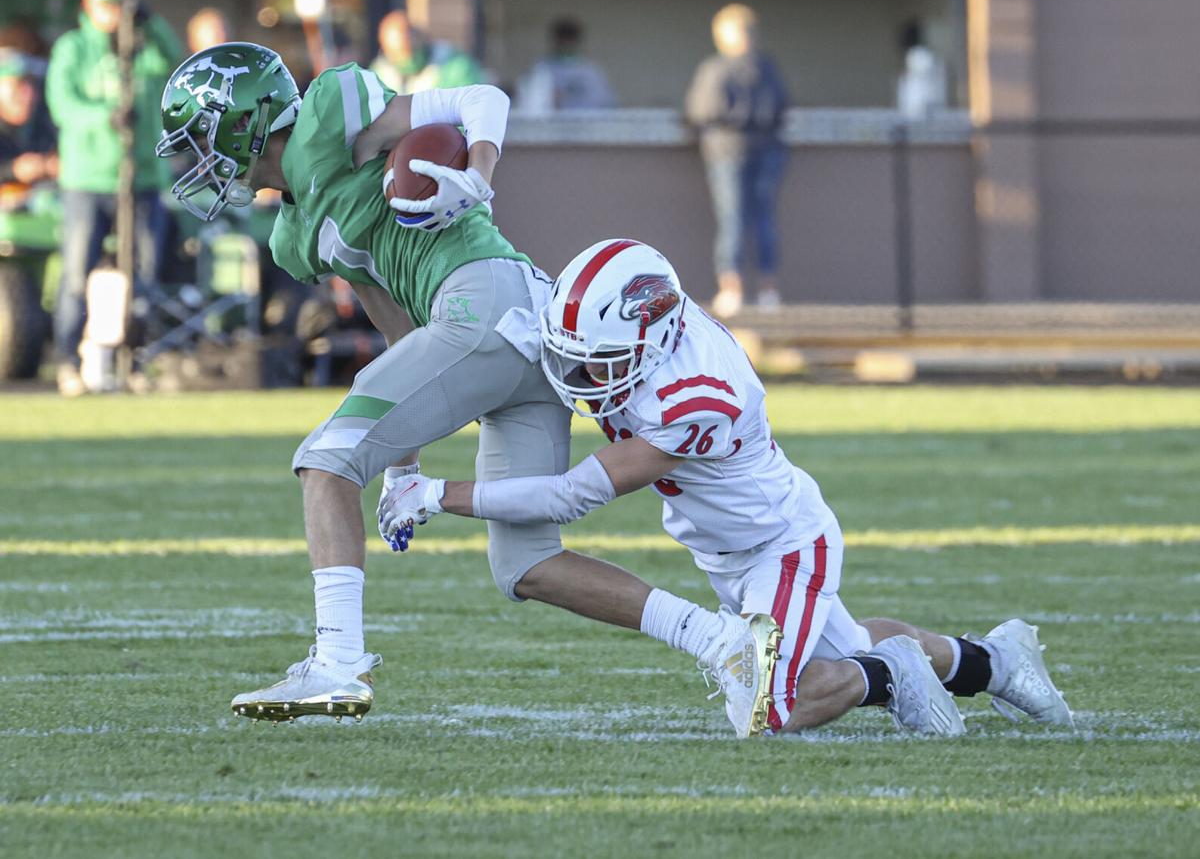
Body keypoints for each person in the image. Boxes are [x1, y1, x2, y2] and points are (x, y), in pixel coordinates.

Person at [156, 43, 774, 733]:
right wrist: (403, 467)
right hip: (505, 338)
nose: (196, 159)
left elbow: (484, 100)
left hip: (485, 302)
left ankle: (337, 662)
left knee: (325, 461)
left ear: (243, 119)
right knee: (528, 565)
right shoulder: (291, 234)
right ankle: (722, 641)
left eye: (199, 137)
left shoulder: (331, 114)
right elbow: (395, 321)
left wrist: (477, 175)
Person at [382, 239, 1076, 737]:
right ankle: (994, 662)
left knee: (767, 707)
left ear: (653, 343)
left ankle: (890, 674)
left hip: (783, 546)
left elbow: (571, 496)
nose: (583, 381)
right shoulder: (644, 331)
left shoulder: (696, 395)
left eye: (601, 364)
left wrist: (439, 494)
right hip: (727, 552)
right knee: (845, 646)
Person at [45, 0, 181, 396]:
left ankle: (137, 359)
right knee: (77, 274)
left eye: (121, 3)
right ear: (90, 4)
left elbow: (176, 63)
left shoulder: (143, 46)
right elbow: (62, 105)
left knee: (145, 275)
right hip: (88, 180)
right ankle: (68, 362)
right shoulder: (72, 48)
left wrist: (151, 22)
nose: (114, 12)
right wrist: (106, 116)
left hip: (143, 177)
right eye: (107, 4)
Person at [684, 4, 789, 316]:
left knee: (733, 219)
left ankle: (734, 290)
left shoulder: (716, 69)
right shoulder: (767, 69)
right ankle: (765, 291)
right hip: (765, 149)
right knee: (758, 218)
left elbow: (699, 111)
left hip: (726, 152)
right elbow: (782, 108)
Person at [369, 9, 483, 94]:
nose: (406, 60)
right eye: (397, 55)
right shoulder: (379, 74)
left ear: (420, 38)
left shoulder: (456, 67)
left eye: (410, 50)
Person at [515, 17, 616, 113]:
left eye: (569, 40)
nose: (566, 44)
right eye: (563, 40)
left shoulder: (590, 71)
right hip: (554, 123)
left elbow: (607, 103)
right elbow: (531, 102)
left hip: (588, 122)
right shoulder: (542, 68)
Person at [0, 49, 57, 194]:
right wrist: (12, 170)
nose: (28, 94)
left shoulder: (47, 121)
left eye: (32, 84)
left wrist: (51, 164)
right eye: (18, 85)